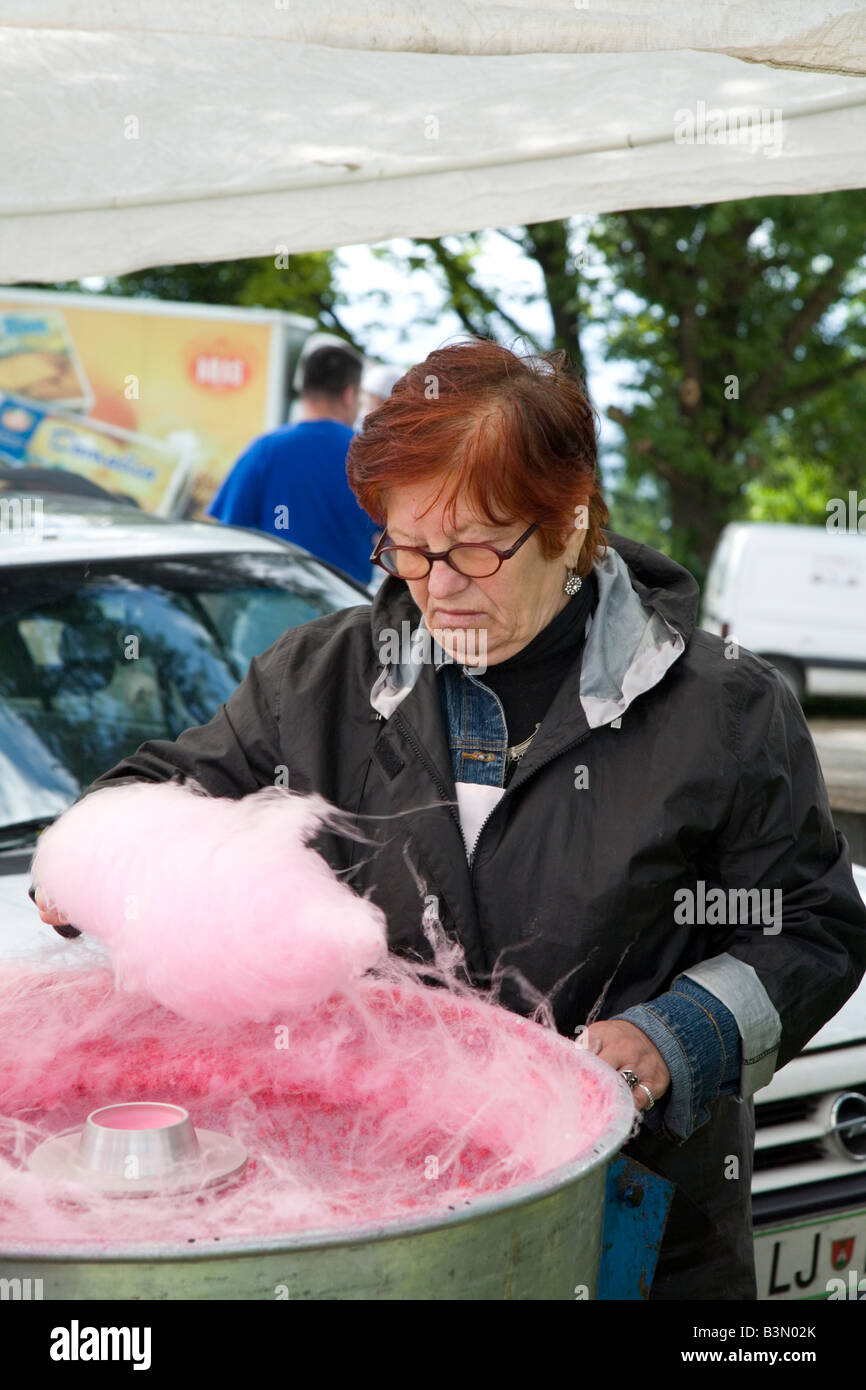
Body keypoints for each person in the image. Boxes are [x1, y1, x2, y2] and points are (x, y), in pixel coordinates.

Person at [34, 339, 866, 1300]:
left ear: (572, 523)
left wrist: (676, 1035)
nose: (438, 586)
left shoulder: (723, 708)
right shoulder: (321, 677)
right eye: (409, 549)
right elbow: (166, 783)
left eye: (474, 547)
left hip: (635, 1230)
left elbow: (811, 927)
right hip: (380, 1223)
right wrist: (96, 855)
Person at [206, 343, 375, 586]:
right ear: (349, 394)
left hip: (275, 602)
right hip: (347, 603)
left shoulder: (265, 449)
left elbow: (229, 533)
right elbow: (393, 536)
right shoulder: (369, 455)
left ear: (305, 389)